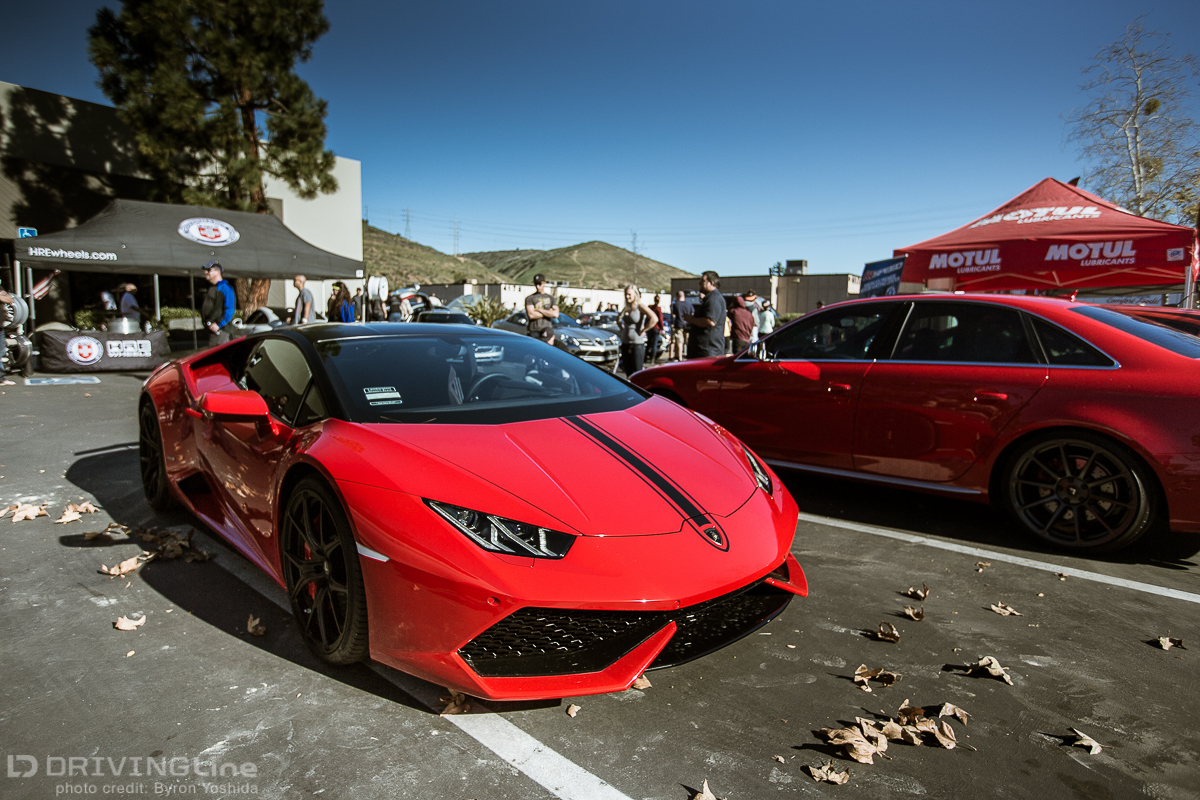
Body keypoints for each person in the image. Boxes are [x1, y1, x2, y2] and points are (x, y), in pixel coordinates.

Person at [683, 271, 726, 359]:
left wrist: (691, 319)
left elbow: (710, 321)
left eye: (703, 281)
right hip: (701, 350)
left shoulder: (714, 298)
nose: (699, 283)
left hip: (707, 351)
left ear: (711, 283)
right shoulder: (709, 298)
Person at [617, 284, 657, 376]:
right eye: (626, 294)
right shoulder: (626, 308)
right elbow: (618, 319)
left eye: (629, 294)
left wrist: (644, 330)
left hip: (637, 344)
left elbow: (654, 318)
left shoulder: (640, 306)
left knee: (637, 373)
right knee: (628, 373)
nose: (627, 296)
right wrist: (622, 329)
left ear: (635, 295)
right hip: (625, 343)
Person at [201, 261, 237, 346]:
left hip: (221, 331)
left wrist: (219, 324)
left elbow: (230, 309)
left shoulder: (225, 288)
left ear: (217, 272)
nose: (205, 272)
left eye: (209, 270)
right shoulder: (213, 287)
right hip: (213, 330)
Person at [525, 274, 559, 345]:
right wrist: (549, 312)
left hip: (547, 329)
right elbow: (531, 315)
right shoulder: (530, 298)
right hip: (534, 330)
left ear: (544, 283)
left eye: (539, 284)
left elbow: (555, 314)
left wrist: (539, 310)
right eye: (536, 284)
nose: (538, 286)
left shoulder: (551, 298)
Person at [669, 290, 693, 361]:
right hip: (687, 325)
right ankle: (689, 355)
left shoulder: (675, 305)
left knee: (679, 341)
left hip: (678, 325)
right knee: (687, 341)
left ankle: (680, 357)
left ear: (677, 296)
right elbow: (692, 314)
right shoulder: (689, 305)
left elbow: (673, 314)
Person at [646, 294, 664, 365]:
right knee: (654, 343)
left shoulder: (650, 307)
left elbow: (647, 317)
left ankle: (645, 357)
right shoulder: (658, 309)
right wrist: (662, 328)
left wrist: (646, 326)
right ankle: (652, 358)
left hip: (650, 327)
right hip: (656, 328)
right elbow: (660, 319)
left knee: (649, 343)